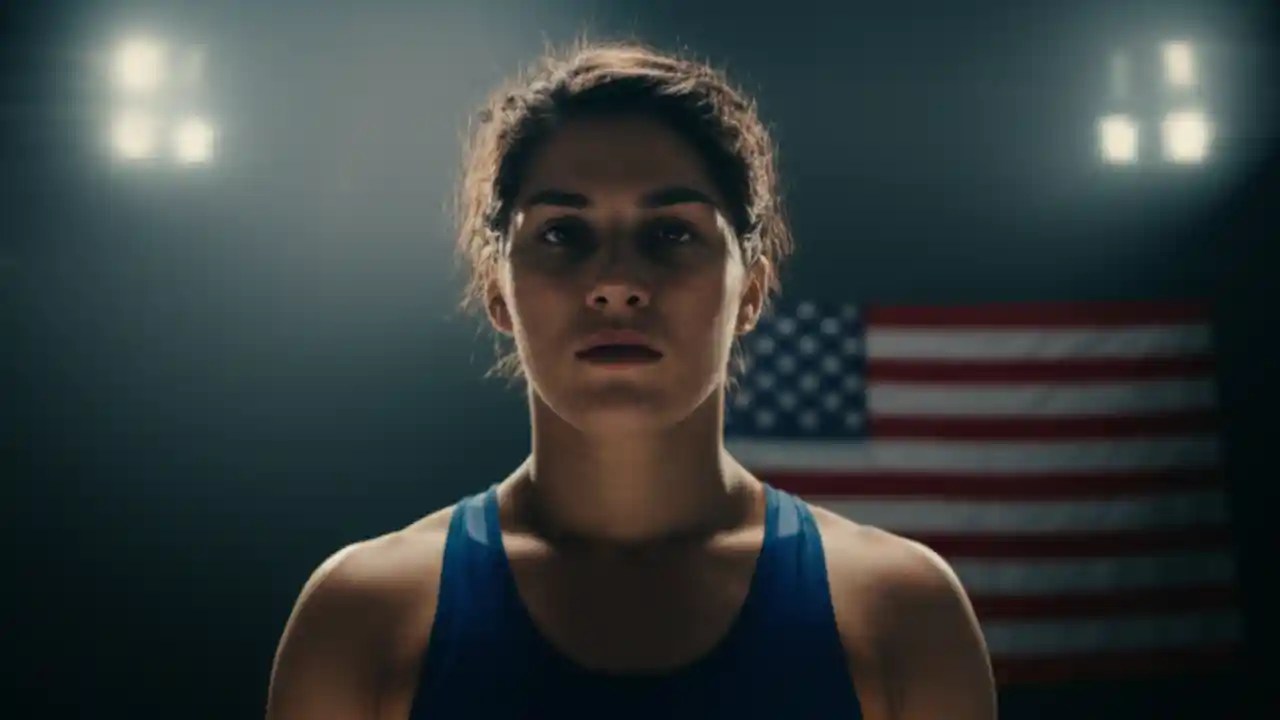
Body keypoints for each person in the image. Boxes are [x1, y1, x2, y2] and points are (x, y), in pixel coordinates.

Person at [266, 36, 996, 719]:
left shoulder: (901, 613)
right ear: (497, 289)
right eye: (562, 234)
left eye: (671, 233)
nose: (616, 283)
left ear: (752, 289)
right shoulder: (365, 617)